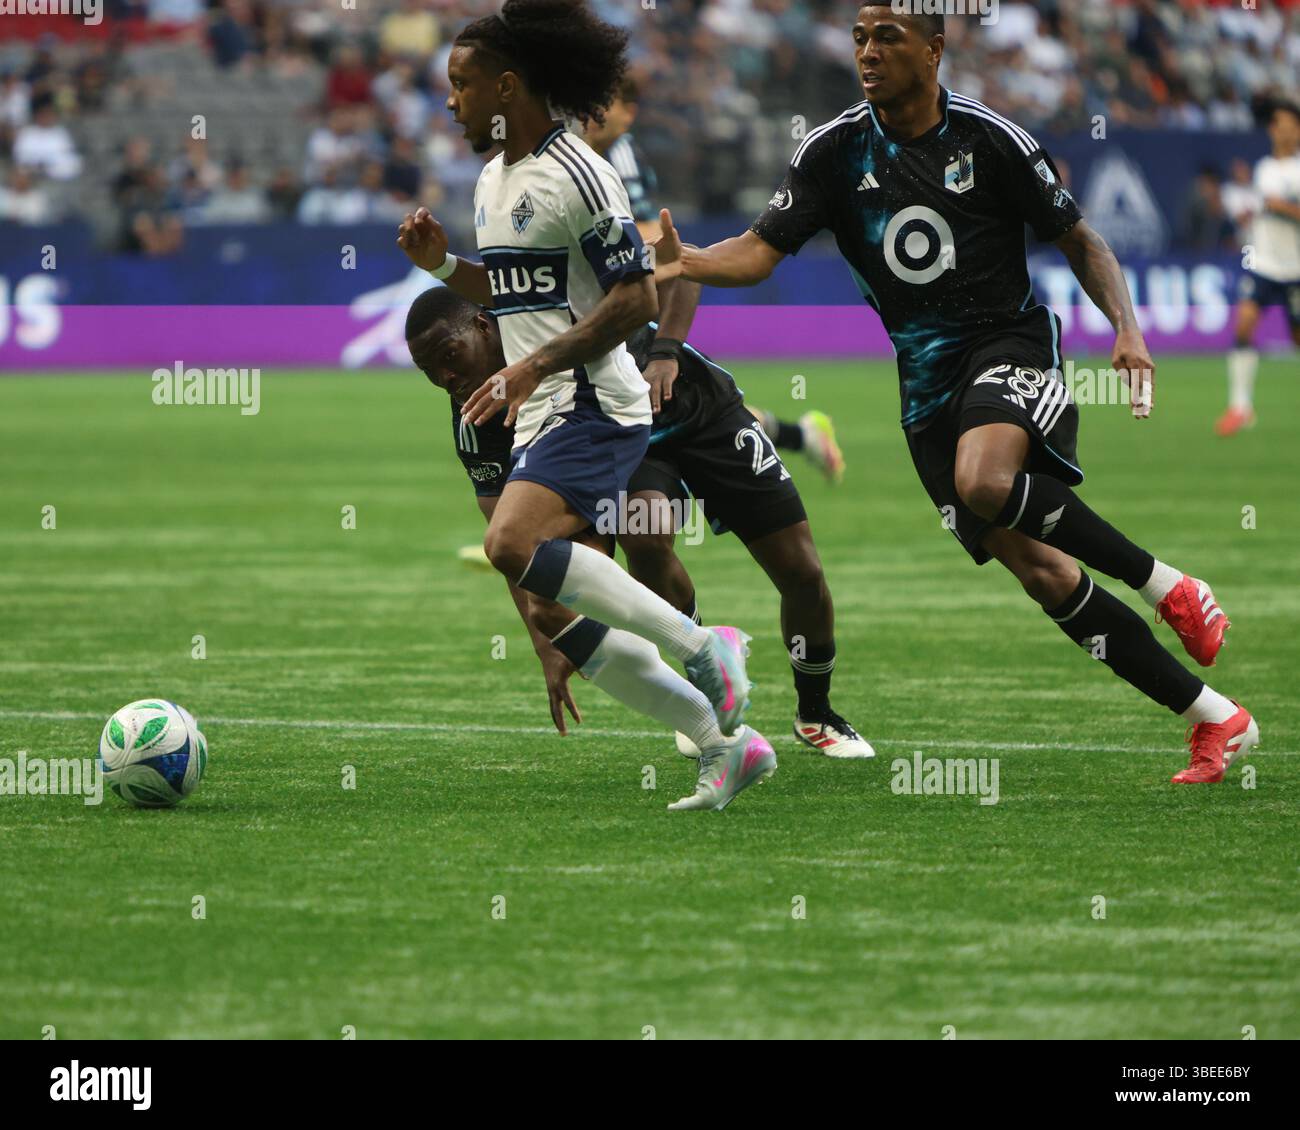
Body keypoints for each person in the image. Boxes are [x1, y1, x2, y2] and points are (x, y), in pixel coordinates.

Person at [651, 4, 1259, 785]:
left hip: (1009, 346)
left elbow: (1080, 237)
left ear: (934, 50)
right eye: (860, 38)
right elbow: (761, 252)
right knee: (1043, 574)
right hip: (925, 387)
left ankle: (1170, 586)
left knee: (985, 480)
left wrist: (1128, 330)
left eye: (887, 38)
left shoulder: (990, 138)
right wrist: (687, 262)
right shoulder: (833, 151)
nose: (867, 52)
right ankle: (1215, 717)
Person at [397, 0, 775, 811]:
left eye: (462, 86)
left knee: (509, 543)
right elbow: (512, 292)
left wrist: (532, 366)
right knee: (549, 608)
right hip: (546, 405)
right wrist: (443, 267)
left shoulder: (580, 172)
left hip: (595, 397)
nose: (451, 103)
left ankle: (707, 646)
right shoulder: (493, 181)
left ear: (507, 86)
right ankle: (723, 745)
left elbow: (637, 297)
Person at [405, 283, 874, 759]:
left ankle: (815, 711)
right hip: (630, 437)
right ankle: (710, 681)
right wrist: (547, 645)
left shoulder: (550, 297)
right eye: (428, 372)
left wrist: (667, 351)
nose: (446, 377)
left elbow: (681, 269)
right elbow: (512, 542)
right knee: (644, 538)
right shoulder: (475, 416)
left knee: (801, 570)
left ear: (483, 325)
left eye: (450, 355)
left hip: (700, 407)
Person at [582, 75, 848, 485]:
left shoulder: (618, 152)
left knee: (678, 410)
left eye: (605, 104)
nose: (593, 115)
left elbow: (647, 229)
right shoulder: (588, 152)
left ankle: (534, 532)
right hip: (609, 302)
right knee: (682, 409)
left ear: (627, 113)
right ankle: (802, 435)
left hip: (628, 302)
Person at [1218, 101, 1300, 437]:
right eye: (1275, 123)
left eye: (1284, 123)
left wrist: (1277, 206)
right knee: (1244, 325)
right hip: (1264, 263)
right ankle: (1240, 408)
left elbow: (1280, 208)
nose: (1277, 128)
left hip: (1295, 268)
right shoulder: (1264, 168)